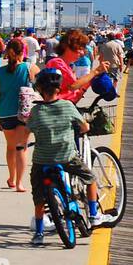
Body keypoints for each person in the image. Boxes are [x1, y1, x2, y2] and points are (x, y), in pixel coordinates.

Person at [27, 68, 112, 246]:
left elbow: (30, 128)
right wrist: (83, 127)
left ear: (40, 91)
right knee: (90, 177)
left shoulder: (36, 111)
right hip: (66, 156)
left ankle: (39, 233)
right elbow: (84, 128)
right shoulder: (67, 106)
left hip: (42, 159)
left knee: (39, 197)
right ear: (58, 89)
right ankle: (94, 214)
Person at [0, 38, 38, 192]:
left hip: (5, 113)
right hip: (24, 113)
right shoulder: (29, 68)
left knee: (11, 147)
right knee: (21, 148)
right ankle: (19, 183)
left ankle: (11, 178)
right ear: (22, 52)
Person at [45, 30, 107, 104]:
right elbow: (72, 86)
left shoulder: (66, 65)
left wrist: (89, 81)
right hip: (58, 110)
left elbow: (72, 92)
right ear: (67, 47)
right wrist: (95, 72)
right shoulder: (57, 63)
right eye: (80, 49)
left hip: (64, 108)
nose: (82, 53)